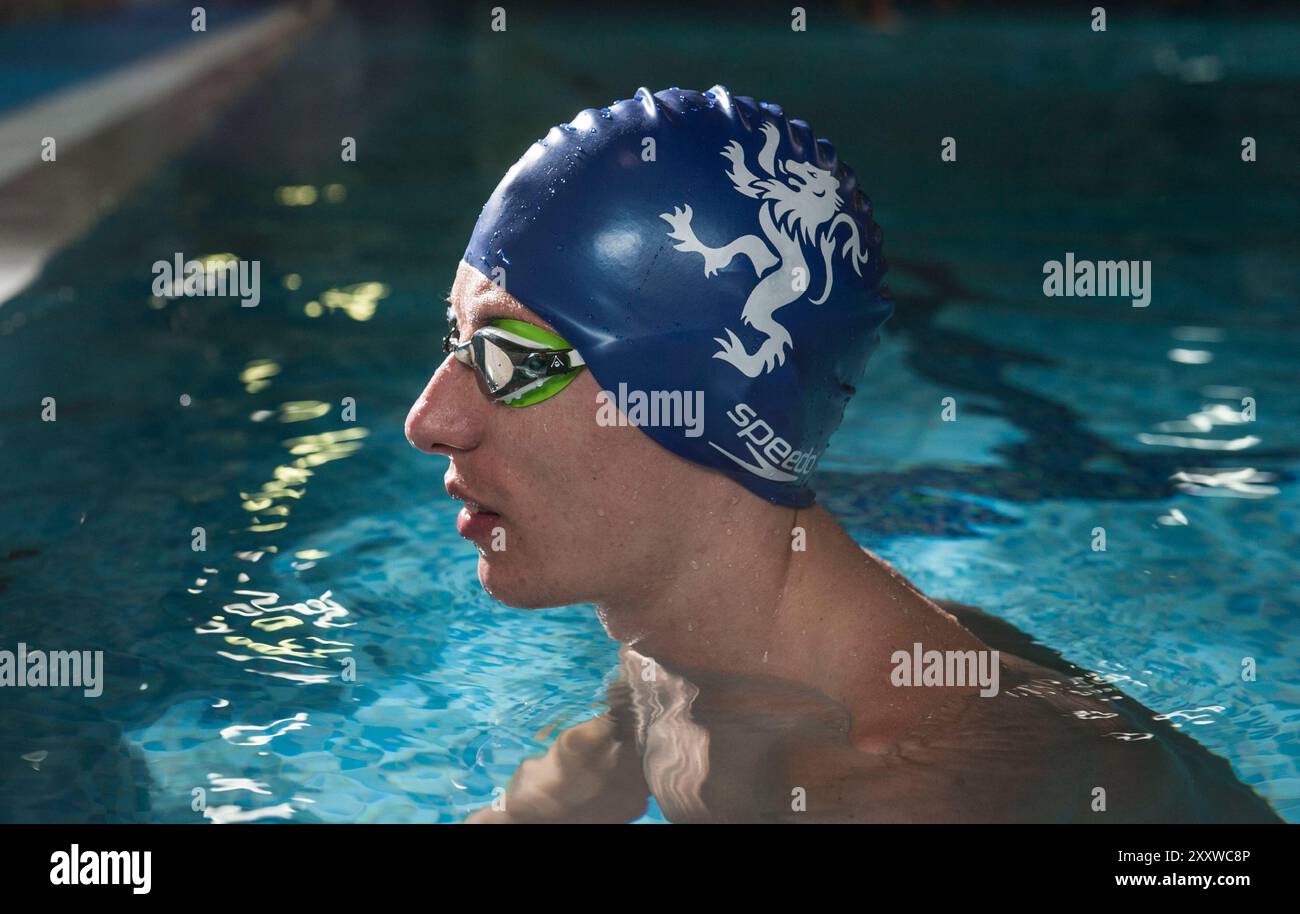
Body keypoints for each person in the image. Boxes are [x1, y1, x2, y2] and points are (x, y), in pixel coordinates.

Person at [404, 86, 1280, 823]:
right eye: (454, 341)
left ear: (699, 401)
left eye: (510, 361)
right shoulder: (679, 660)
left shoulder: (923, 789)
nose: (429, 419)